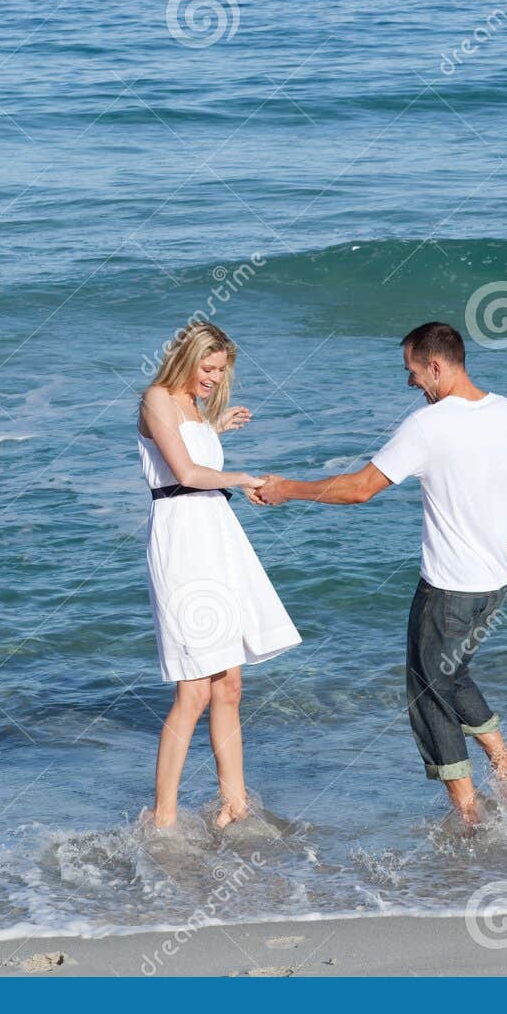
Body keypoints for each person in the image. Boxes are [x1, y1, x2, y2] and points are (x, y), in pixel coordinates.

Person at [257, 322, 507, 824]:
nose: (411, 384)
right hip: (494, 586)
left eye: (413, 373)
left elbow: (359, 489)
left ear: (436, 367)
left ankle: (467, 809)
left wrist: (289, 488)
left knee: (427, 691)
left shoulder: (428, 426)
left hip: (446, 590)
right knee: (452, 673)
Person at [138, 323, 300, 829]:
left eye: (221, 370)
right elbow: (185, 475)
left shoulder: (194, 409)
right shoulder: (156, 397)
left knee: (229, 684)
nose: (213, 377)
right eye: (207, 368)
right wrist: (246, 477)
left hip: (217, 537)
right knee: (195, 690)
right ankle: (163, 818)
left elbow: (194, 451)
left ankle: (235, 803)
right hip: (183, 543)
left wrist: (214, 428)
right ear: (185, 358)